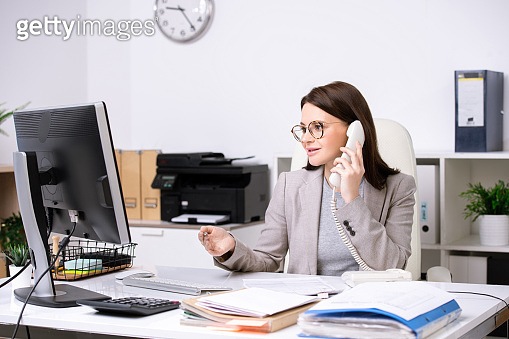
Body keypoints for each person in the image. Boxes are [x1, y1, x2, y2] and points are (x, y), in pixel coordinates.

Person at [198, 81, 416, 276]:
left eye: (317, 127)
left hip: (366, 308)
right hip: (306, 306)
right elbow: (268, 260)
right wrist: (231, 249)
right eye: (303, 129)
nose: (305, 139)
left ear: (355, 130)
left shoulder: (399, 188)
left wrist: (351, 199)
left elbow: (392, 267)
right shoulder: (289, 186)